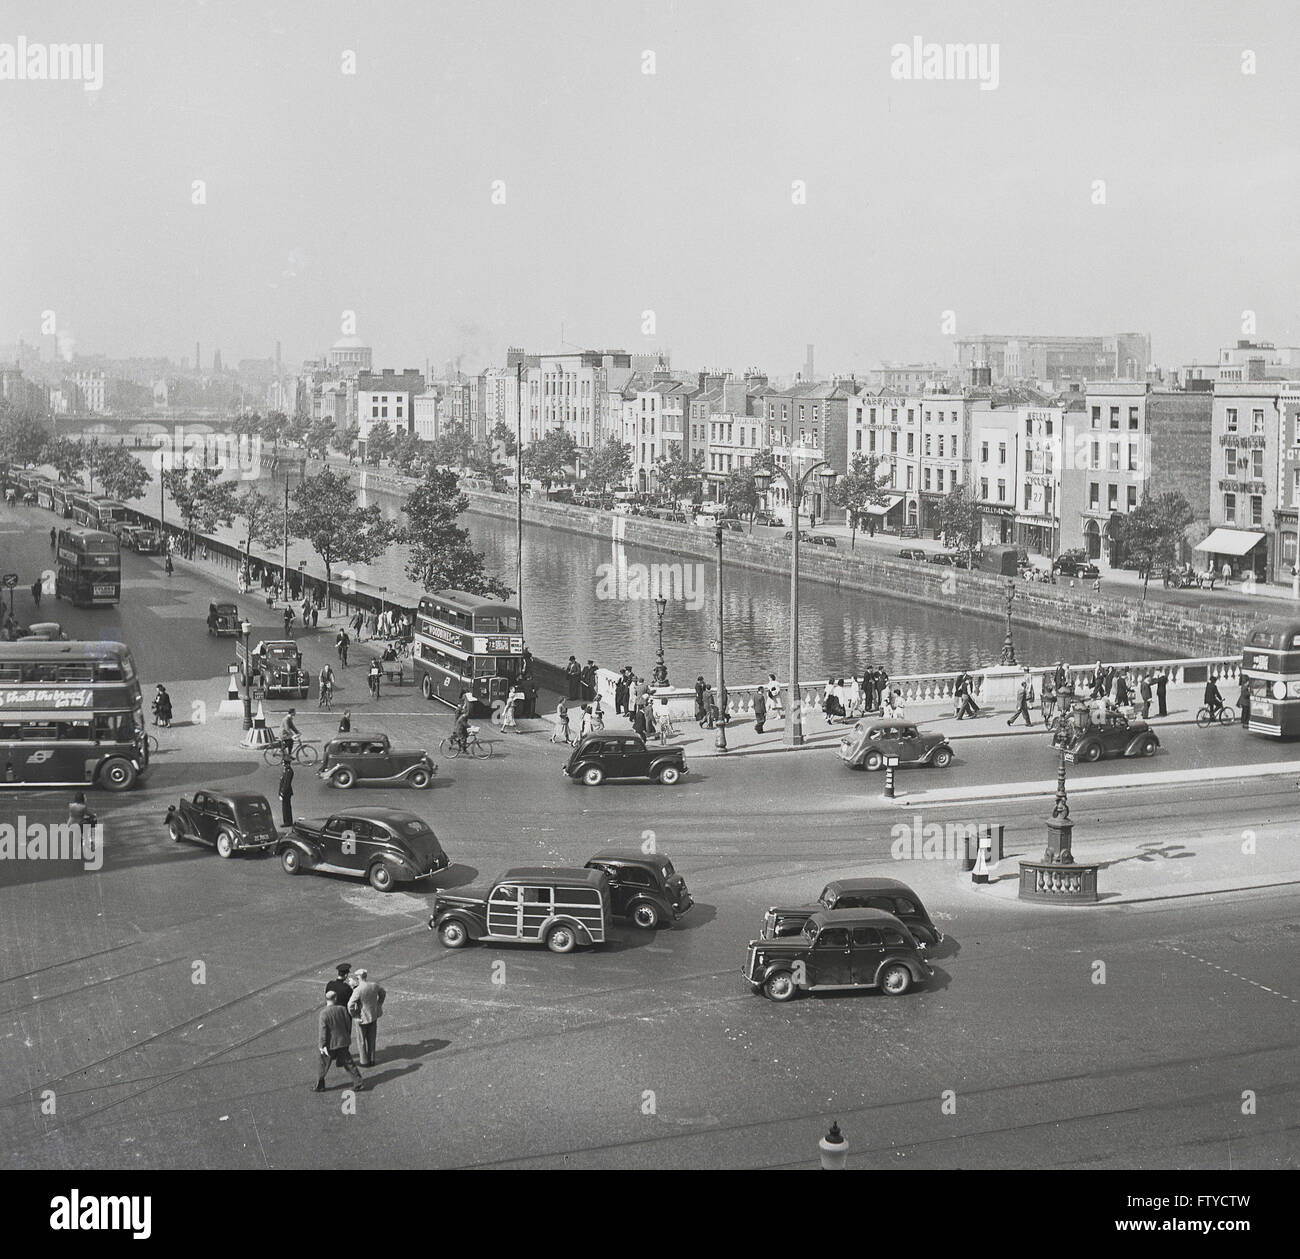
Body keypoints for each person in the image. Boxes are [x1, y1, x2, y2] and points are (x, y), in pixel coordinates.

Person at [314, 990, 363, 1092]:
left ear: (326, 999)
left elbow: (323, 1030)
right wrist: (347, 1036)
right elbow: (348, 1024)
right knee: (349, 1063)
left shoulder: (323, 1013)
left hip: (330, 1044)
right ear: (335, 998)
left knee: (323, 1064)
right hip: (342, 1041)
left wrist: (322, 1045)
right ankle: (358, 1082)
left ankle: (320, 1084)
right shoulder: (342, 1009)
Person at [346, 968, 387, 1068]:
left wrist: (355, 1015)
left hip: (361, 1018)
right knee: (372, 1039)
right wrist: (379, 1005)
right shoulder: (374, 985)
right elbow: (383, 993)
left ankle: (364, 1061)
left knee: (361, 1041)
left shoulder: (358, 990)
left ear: (358, 977)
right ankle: (372, 1059)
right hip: (373, 1015)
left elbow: (350, 1004)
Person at [278, 758, 294, 825]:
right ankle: (287, 821)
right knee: (285, 807)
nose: (283, 765)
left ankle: (287, 822)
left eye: (284, 763)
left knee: (286, 807)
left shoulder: (288, 771)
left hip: (286, 792)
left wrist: (282, 793)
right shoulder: (286, 770)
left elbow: (286, 784)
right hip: (285, 792)